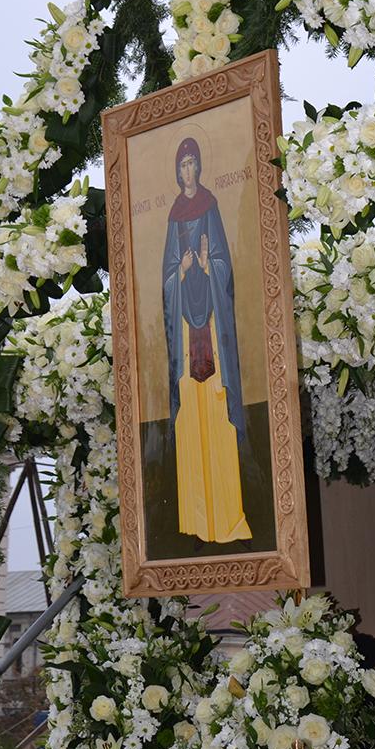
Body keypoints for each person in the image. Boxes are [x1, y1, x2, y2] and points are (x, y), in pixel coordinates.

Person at [161, 136, 251, 544]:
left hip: (210, 329)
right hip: (185, 332)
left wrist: (205, 264)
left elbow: (224, 265)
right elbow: (165, 279)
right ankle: (195, 521)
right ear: (176, 171)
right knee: (191, 419)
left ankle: (229, 518)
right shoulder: (174, 216)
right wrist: (180, 271)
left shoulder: (210, 208)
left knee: (216, 413)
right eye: (182, 165)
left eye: (193, 164)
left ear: (199, 168)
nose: (188, 172)